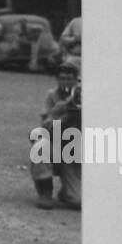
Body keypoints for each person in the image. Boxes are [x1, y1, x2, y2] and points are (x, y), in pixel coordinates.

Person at [29, 62, 82, 210]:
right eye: (62, 78)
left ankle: (66, 192)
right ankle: (45, 192)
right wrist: (59, 114)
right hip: (56, 146)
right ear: (57, 79)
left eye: (69, 79)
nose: (65, 82)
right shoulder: (52, 96)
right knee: (40, 146)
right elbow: (44, 129)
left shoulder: (85, 95)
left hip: (75, 152)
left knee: (78, 201)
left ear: (76, 79)